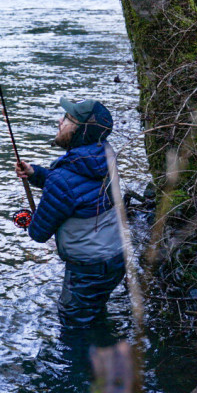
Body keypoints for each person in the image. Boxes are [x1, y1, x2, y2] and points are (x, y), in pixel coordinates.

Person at [15, 98, 124, 328]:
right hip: (116, 260)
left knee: (74, 326)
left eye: (67, 119)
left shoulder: (63, 180)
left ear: (80, 131)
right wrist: (36, 174)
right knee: (95, 314)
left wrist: (29, 223)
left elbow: (38, 233)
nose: (60, 121)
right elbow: (77, 189)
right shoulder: (104, 154)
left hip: (87, 270)